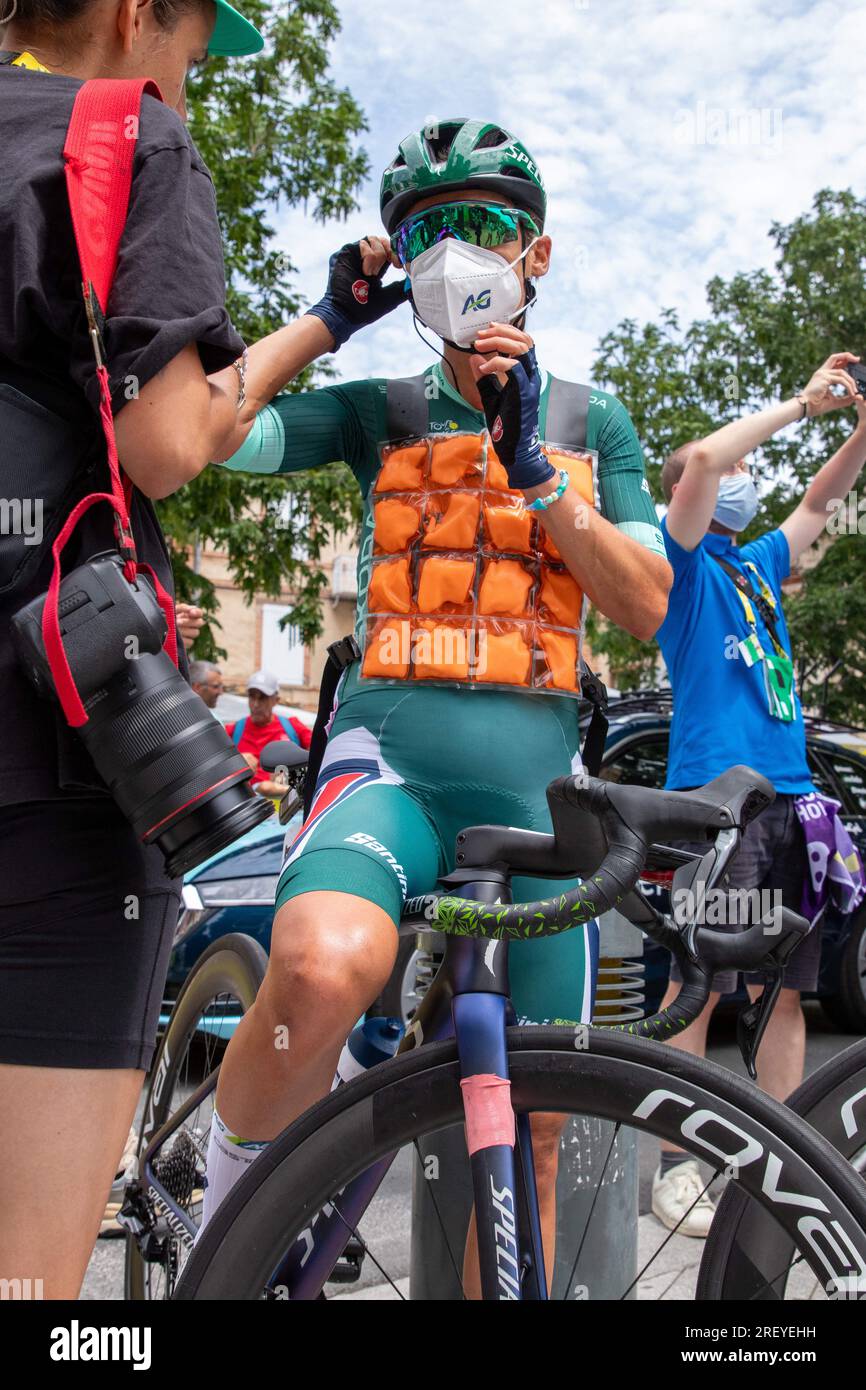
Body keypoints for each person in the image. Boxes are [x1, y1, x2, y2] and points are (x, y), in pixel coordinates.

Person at [201, 119, 673, 1292]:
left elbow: (651, 604)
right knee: (316, 968)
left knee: (538, 1130)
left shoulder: (592, 421)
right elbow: (205, 437)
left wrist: (533, 478)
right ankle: (223, 1244)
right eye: (424, 233)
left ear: (539, 254)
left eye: (482, 226)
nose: (453, 253)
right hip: (390, 766)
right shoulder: (379, 413)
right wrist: (326, 322)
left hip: (537, 800)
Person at [0, 0, 351, 1299]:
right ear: (137, 13)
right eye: (195, 48)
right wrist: (315, 328)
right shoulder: (126, 140)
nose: (190, 82)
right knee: (31, 1277)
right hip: (45, 759)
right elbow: (168, 439)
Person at [651, 352, 865, 1237]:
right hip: (719, 803)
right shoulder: (685, 566)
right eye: (737, 470)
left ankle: (794, 1153)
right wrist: (800, 404)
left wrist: (859, 430)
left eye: (747, 473)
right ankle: (674, 1167)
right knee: (698, 984)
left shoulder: (754, 565)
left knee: (784, 987)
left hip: (791, 804)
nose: (743, 479)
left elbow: (818, 504)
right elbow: (702, 463)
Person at [225, 668, 312, 796]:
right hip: (248, 809)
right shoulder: (233, 730)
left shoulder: (292, 726)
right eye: (251, 697)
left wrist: (296, 773)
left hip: (289, 812)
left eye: (262, 698)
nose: (255, 704)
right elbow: (209, 765)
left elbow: (321, 753)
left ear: (276, 700)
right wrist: (235, 762)